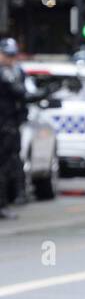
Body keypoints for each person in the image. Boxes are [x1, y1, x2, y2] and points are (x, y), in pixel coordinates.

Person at [0, 38, 28, 217]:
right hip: (4, 125)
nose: (10, 59)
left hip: (9, 125)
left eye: (12, 55)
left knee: (8, 165)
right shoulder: (6, 75)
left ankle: (6, 202)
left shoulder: (17, 72)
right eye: (6, 55)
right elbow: (19, 92)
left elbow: (23, 96)